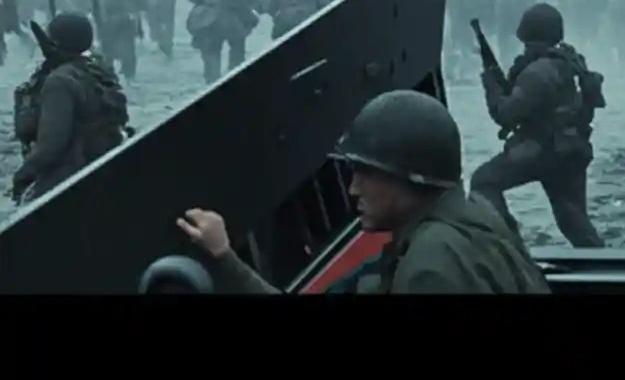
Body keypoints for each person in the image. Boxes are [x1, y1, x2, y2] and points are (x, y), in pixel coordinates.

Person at [177, 90, 551, 294]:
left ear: (411, 177)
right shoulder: (477, 220)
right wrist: (223, 254)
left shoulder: (431, 265)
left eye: (366, 173)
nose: (353, 189)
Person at [470, 3, 607, 248]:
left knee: (483, 182)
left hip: (542, 150)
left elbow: (505, 115)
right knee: (572, 219)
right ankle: (600, 260)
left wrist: (491, 84)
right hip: (572, 147)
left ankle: (510, 245)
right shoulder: (568, 62)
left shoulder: (537, 72)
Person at [11, 12, 131, 204]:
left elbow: (50, 147)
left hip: (72, 177)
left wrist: (23, 176)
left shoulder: (59, 81)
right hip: (103, 167)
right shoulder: (98, 70)